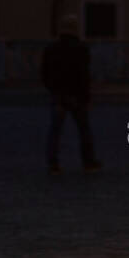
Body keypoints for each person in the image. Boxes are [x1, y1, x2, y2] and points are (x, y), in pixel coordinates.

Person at [40, 15, 102, 174]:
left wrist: (53, 90)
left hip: (58, 95)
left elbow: (44, 74)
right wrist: (86, 97)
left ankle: (53, 163)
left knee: (55, 130)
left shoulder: (51, 48)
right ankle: (88, 162)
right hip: (77, 96)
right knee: (84, 130)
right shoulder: (81, 48)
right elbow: (83, 75)